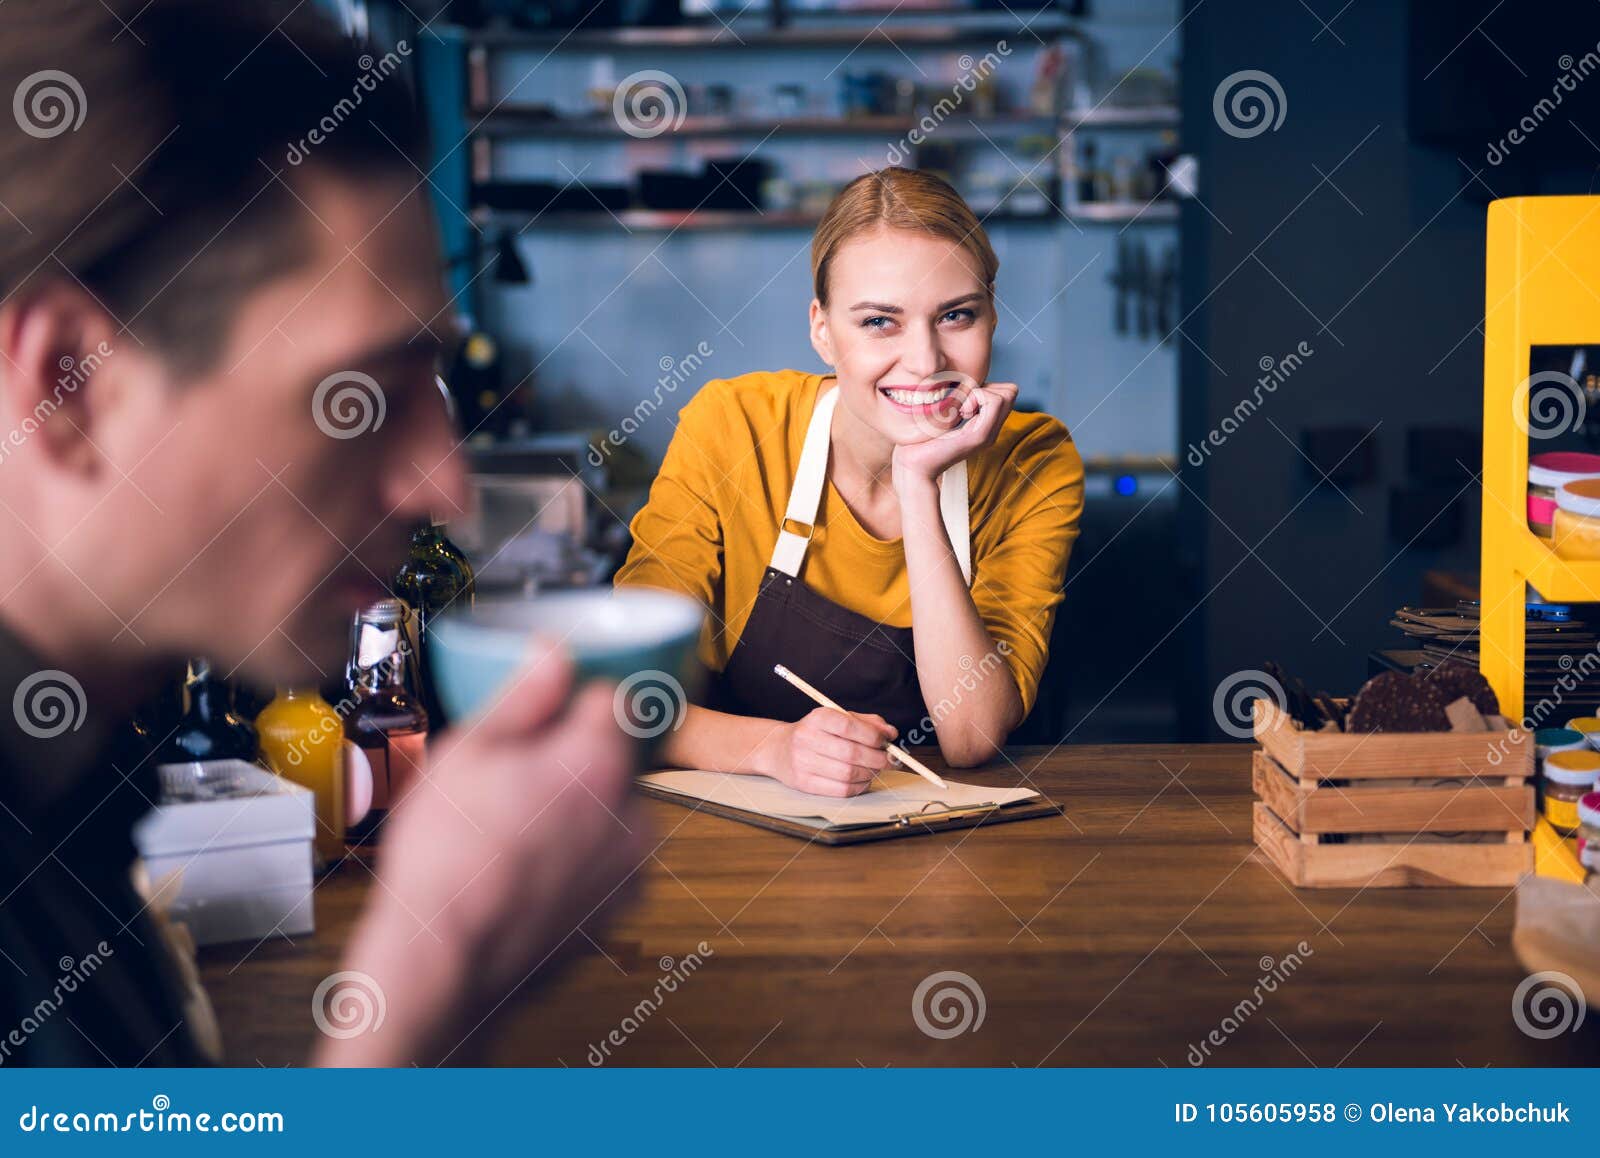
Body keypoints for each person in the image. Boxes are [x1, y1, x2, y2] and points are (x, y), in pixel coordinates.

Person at [0, 0, 646, 1066]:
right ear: (67, 387)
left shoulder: (72, 790)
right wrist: (430, 987)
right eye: (362, 397)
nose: (442, 485)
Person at [615, 167, 1085, 796]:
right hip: (731, 847)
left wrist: (917, 482)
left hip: (950, 856)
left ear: (992, 320)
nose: (924, 361)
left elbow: (971, 736)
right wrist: (774, 748)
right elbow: (626, 697)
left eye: (955, 316)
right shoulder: (733, 428)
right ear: (822, 330)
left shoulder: (1036, 461)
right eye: (878, 322)